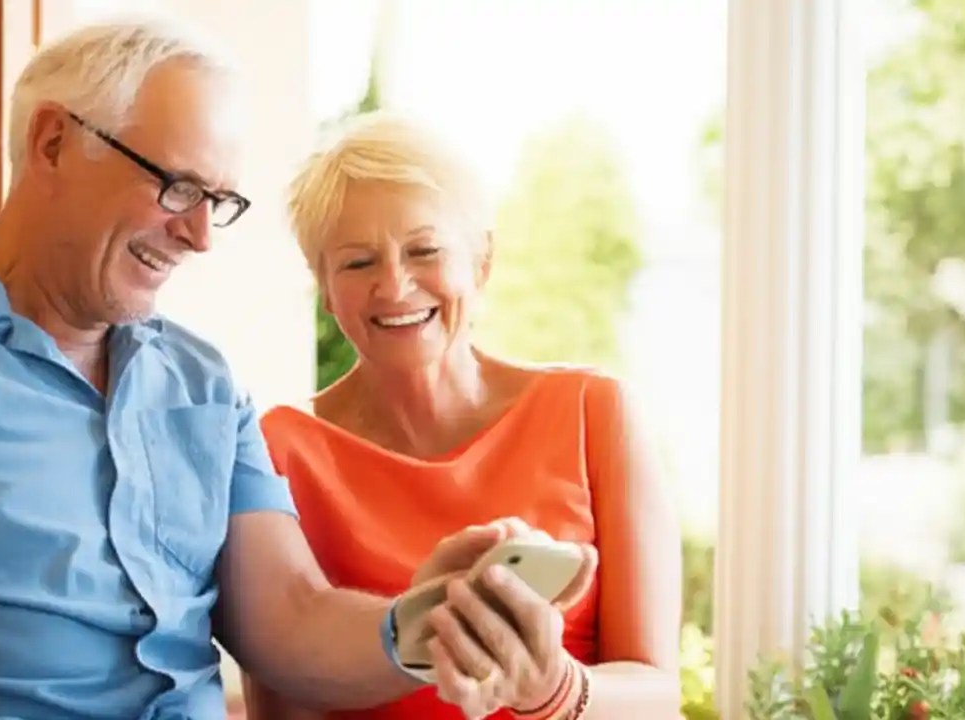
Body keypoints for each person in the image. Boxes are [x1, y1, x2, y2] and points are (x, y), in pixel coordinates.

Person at [0, 19, 591, 720]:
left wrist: (426, 613)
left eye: (217, 200)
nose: (199, 236)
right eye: (178, 187)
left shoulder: (204, 383)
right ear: (52, 143)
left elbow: (291, 619)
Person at [241, 112, 684, 720]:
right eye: (357, 262)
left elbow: (657, 699)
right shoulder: (277, 450)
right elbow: (284, 695)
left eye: (424, 250)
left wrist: (552, 690)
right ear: (323, 285)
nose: (395, 287)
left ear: (481, 263)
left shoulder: (595, 413)